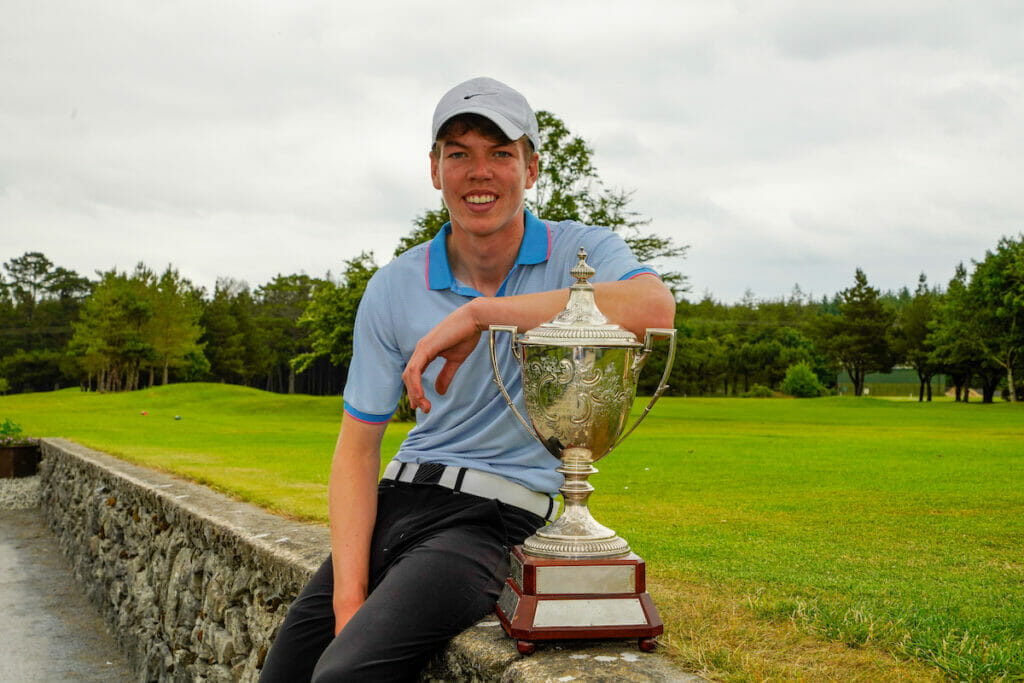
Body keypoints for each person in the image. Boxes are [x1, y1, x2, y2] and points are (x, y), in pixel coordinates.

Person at [259, 76, 675, 682]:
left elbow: (653, 310)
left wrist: (483, 315)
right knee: (284, 676)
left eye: (500, 153)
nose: (479, 172)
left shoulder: (579, 253)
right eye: (459, 154)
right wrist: (348, 601)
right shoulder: (394, 286)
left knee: (344, 676)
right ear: (435, 170)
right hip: (397, 501)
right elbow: (357, 447)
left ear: (531, 169)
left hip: (491, 518)